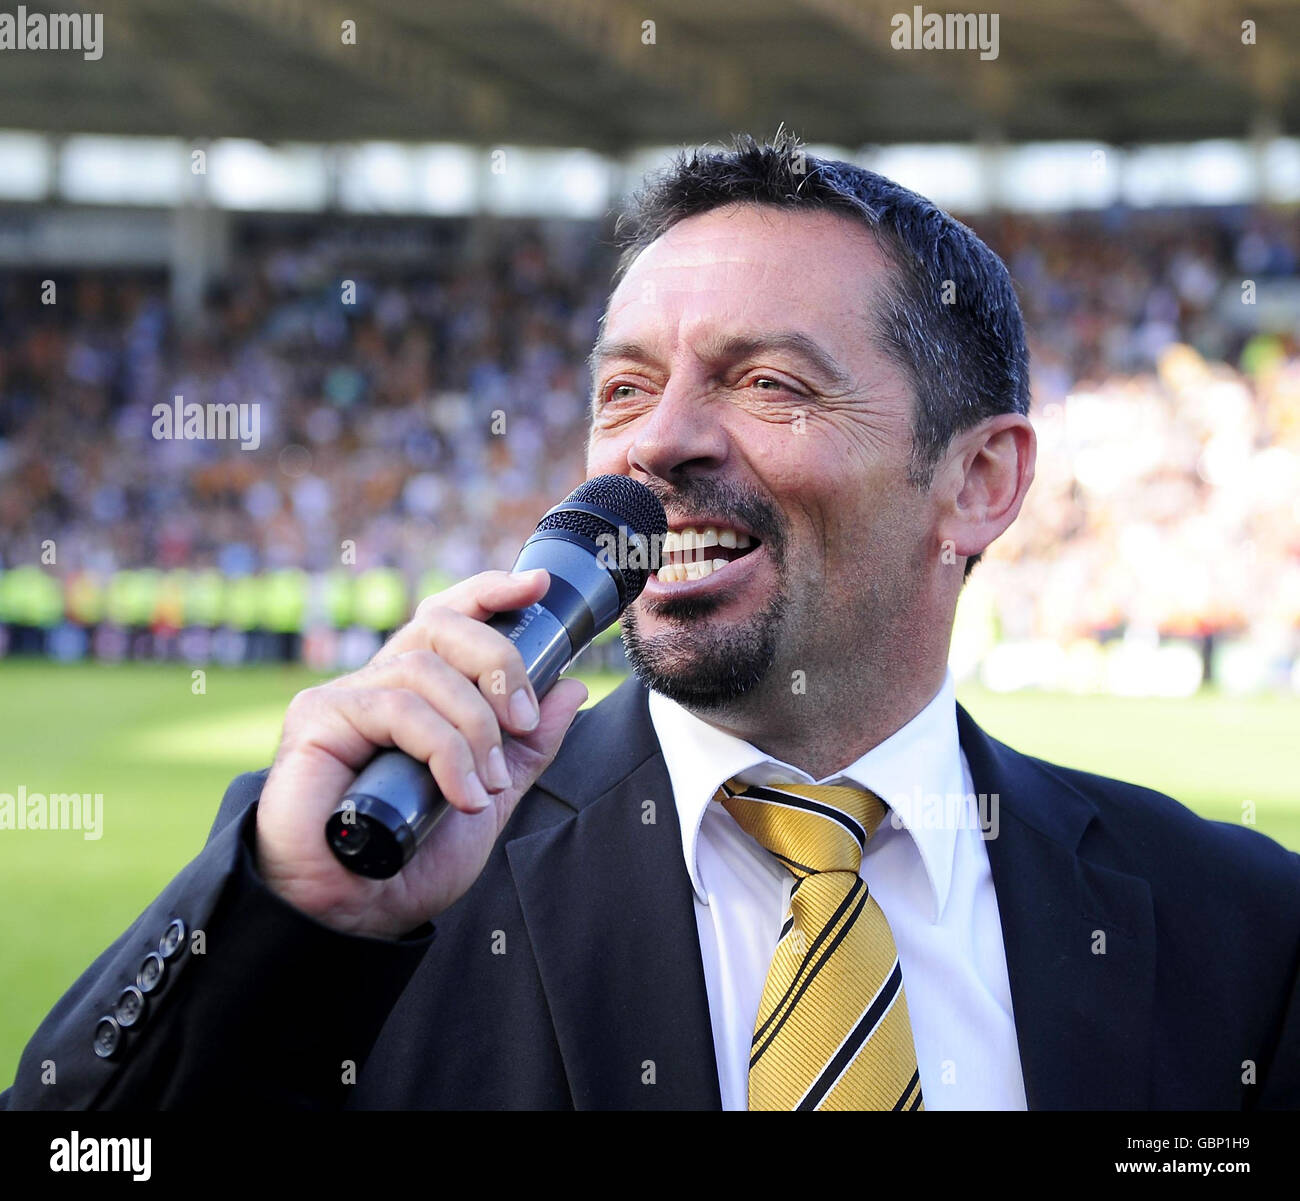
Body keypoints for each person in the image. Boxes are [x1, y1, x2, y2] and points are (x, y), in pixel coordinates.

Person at [5, 134, 1298, 1111]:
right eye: (626, 386)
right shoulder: (380, 885)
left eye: (768, 381)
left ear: (979, 482)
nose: (659, 441)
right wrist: (286, 917)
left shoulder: (1238, 929)